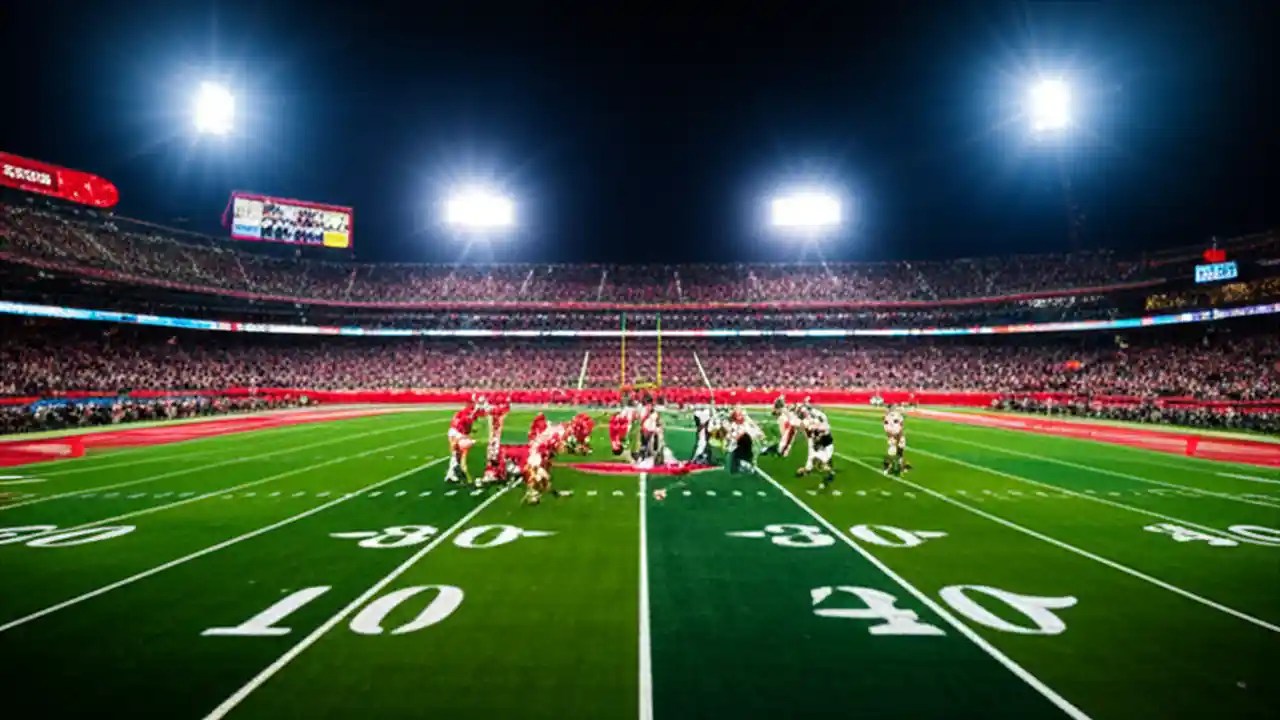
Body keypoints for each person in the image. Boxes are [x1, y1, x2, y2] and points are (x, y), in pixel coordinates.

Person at [883, 406, 909, 476]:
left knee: (899, 452)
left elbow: (900, 428)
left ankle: (900, 467)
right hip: (894, 437)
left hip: (897, 436)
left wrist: (896, 437)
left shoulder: (890, 417)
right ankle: (887, 467)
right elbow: (889, 430)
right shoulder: (888, 418)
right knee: (891, 453)